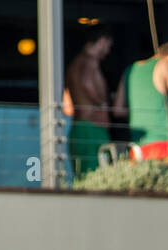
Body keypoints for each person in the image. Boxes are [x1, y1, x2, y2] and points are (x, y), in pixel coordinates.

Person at [116, 41, 168, 153]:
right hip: (163, 141)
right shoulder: (166, 65)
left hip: (137, 145)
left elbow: (118, 110)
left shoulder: (130, 70)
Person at [65, 25, 117, 176]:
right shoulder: (90, 61)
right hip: (91, 129)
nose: (108, 51)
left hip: (79, 128)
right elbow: (87, 83)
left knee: (84, 179)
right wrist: (103, 104)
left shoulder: (74, 64)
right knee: (99, 178)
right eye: (108, 46)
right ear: (101, 41)